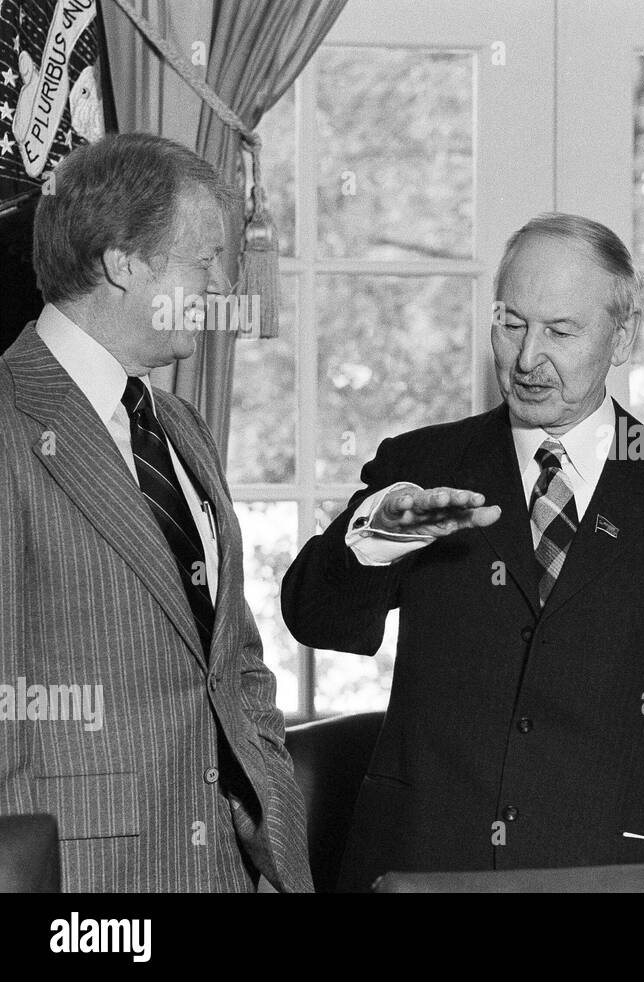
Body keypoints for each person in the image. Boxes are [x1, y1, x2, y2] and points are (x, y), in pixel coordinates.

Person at [282, 212, 644, 890]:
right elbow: (317, 618)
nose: (527, 356)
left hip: (613, 874)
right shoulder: (422, 465)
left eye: (561, 331)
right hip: (425, 866)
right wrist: (377, 537)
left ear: (621, 338)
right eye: (511, 323)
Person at [0, 133, 312, 891]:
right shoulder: (8, 420)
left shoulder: (180, 427)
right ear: (122, 260)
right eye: (204, 260)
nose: (224, 285)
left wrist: (276, 853)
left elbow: (234, 665)